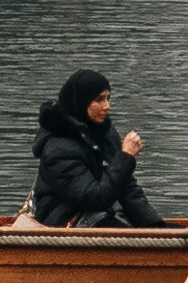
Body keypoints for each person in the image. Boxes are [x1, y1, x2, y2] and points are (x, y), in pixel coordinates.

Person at [27, 66, 165, 236]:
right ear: (82, 102)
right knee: (130, 235)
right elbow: (94, 199)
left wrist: (157, 227)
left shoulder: (104, 134)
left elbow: (127, 188)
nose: (107, 106)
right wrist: (126, 157)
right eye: (100, 100)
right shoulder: (58, 148)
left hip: (98, 214)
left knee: (166, 232)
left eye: (108, 98)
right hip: (64, 223)